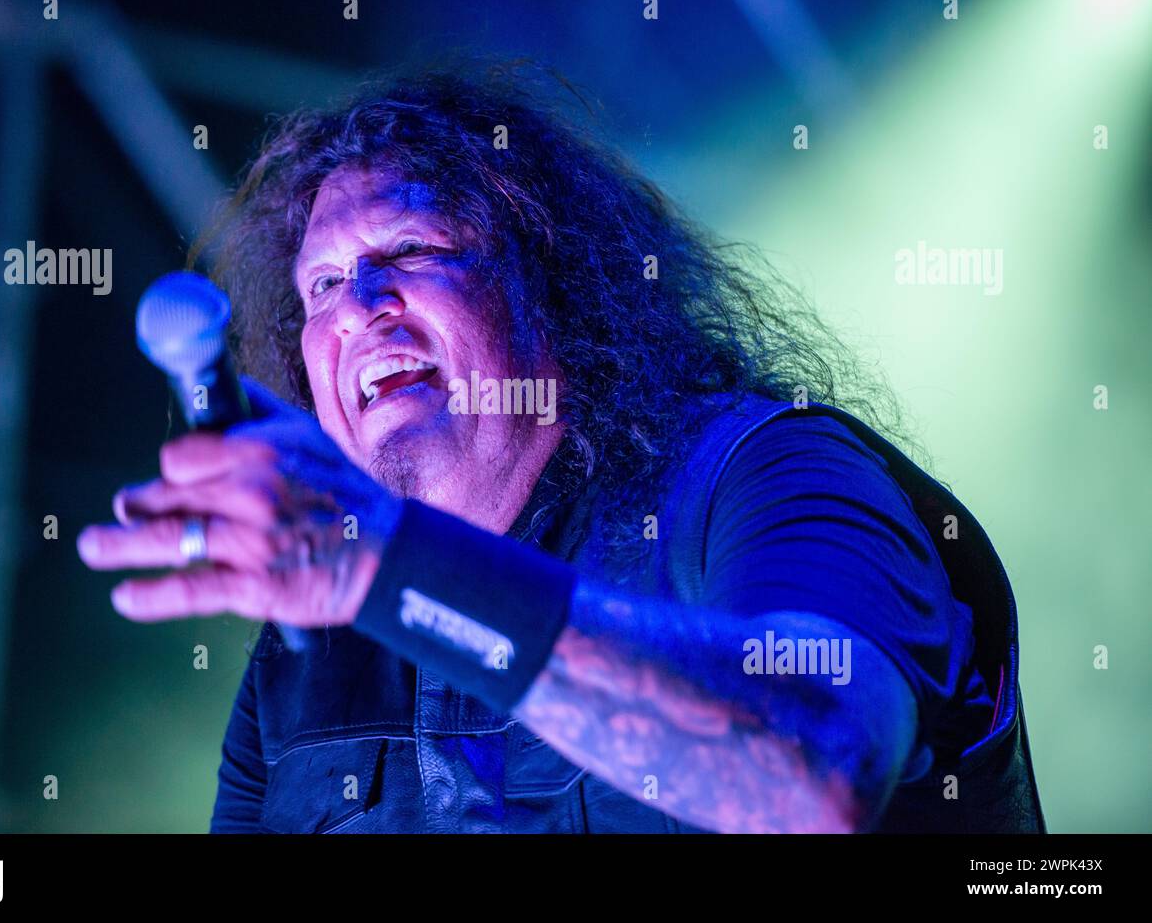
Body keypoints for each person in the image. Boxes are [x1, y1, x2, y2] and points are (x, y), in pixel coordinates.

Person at [77, 66, 1045, 833]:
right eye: (322, 286)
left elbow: (816, 777)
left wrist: (383, 565)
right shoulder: (313, 647)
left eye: (410, 252)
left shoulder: (768, 476)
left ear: (551, 280)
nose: (360, 309)